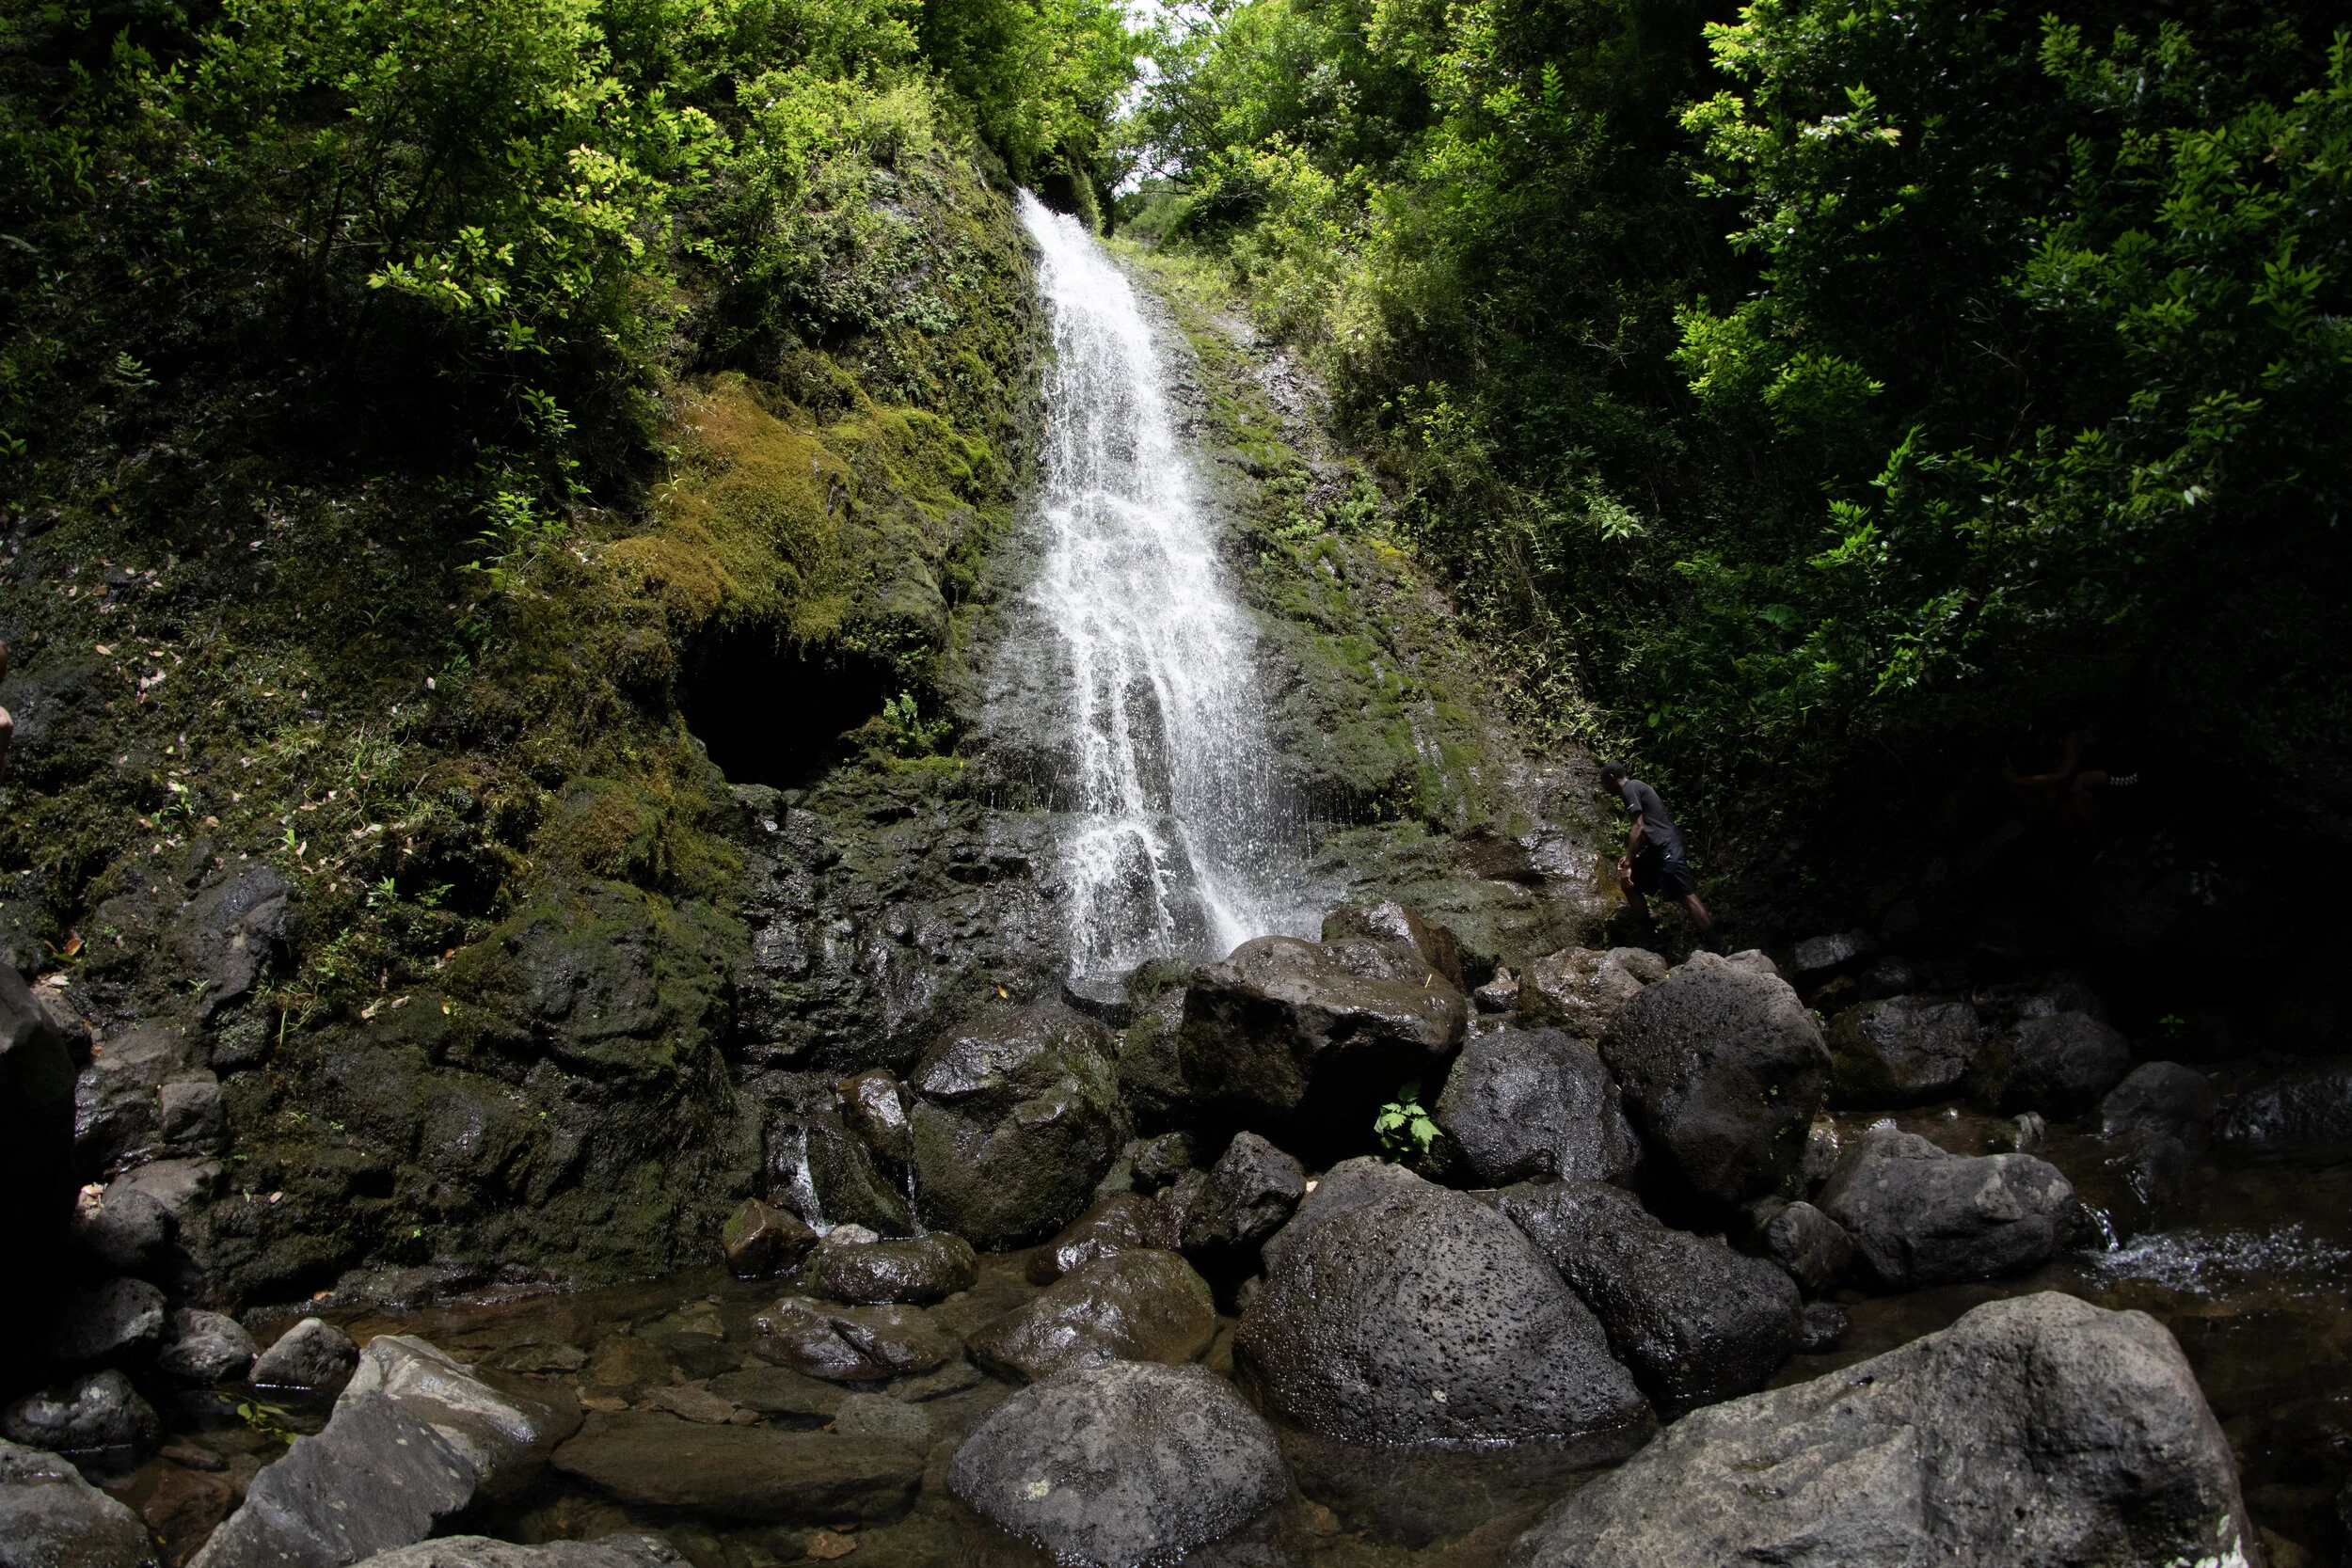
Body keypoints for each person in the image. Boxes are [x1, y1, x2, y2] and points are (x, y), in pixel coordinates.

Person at [1600, 761, 1712, 934]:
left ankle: (1716, 947)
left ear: (1611, 778)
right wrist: (1631, 856)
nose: (1604, 788)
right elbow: (1647, 831)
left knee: (1686, 897)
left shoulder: (1630, 789)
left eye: (1604, 783)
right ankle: (1649, 939)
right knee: (1631, 884)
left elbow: (1638, 827)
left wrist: (1628, 864)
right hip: (1658, 850)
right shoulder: (1637, 787)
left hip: (1668, 848)